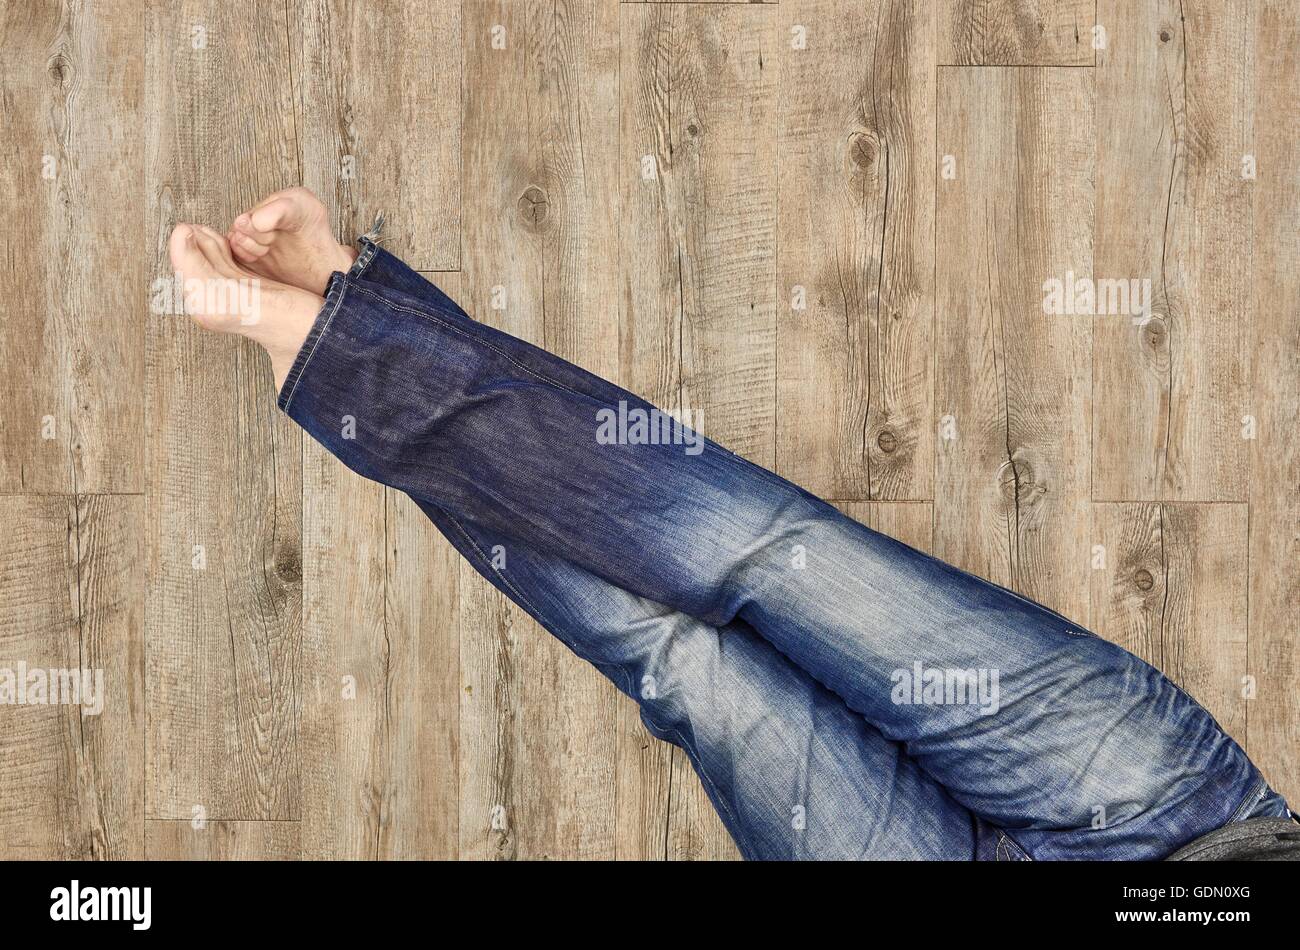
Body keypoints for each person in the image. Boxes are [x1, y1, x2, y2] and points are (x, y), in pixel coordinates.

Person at [167, 188, 1297, 861]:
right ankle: (343, 328)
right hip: (1182, 831)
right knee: (765, 549)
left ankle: (340, 330)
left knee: (682, 662)